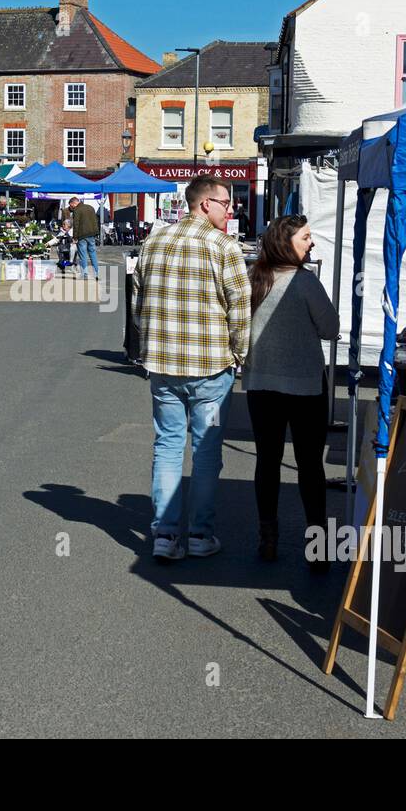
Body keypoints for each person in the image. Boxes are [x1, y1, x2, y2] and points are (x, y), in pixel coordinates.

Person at [132, 174, 251, 563]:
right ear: (204, 204)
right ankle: (200, 535)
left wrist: (150, 343)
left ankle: (165, 536)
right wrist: (241, 356)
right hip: (210, 367)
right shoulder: (223, 247)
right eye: (225, 203)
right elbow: (240, 312)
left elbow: (137, 303)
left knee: (167, 447)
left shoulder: (154, 241)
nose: (230, 209)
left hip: (163, 365)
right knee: (205, 453)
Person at [243, 216, 339, 566]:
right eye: (306, 238)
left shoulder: (253, 277)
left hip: (260, 383)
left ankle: (267, 539)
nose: (311, 243)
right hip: (304, 386)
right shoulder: (305, 282)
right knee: (310, 465)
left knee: (267, 462)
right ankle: (318, 547)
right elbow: (330, 327)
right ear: (287, 242)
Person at [68, 197, 100, 280]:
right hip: (92, 234)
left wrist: (75, 237)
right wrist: (96, 232)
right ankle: (96, 274)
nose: (71, 208)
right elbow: (95, 221)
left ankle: (84, 274)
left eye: (71, 206)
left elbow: (76, 224)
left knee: (83, 255)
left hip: (82, 235)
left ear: (73, 203)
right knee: (93, 254)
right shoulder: (90, 207)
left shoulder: (77, 210)